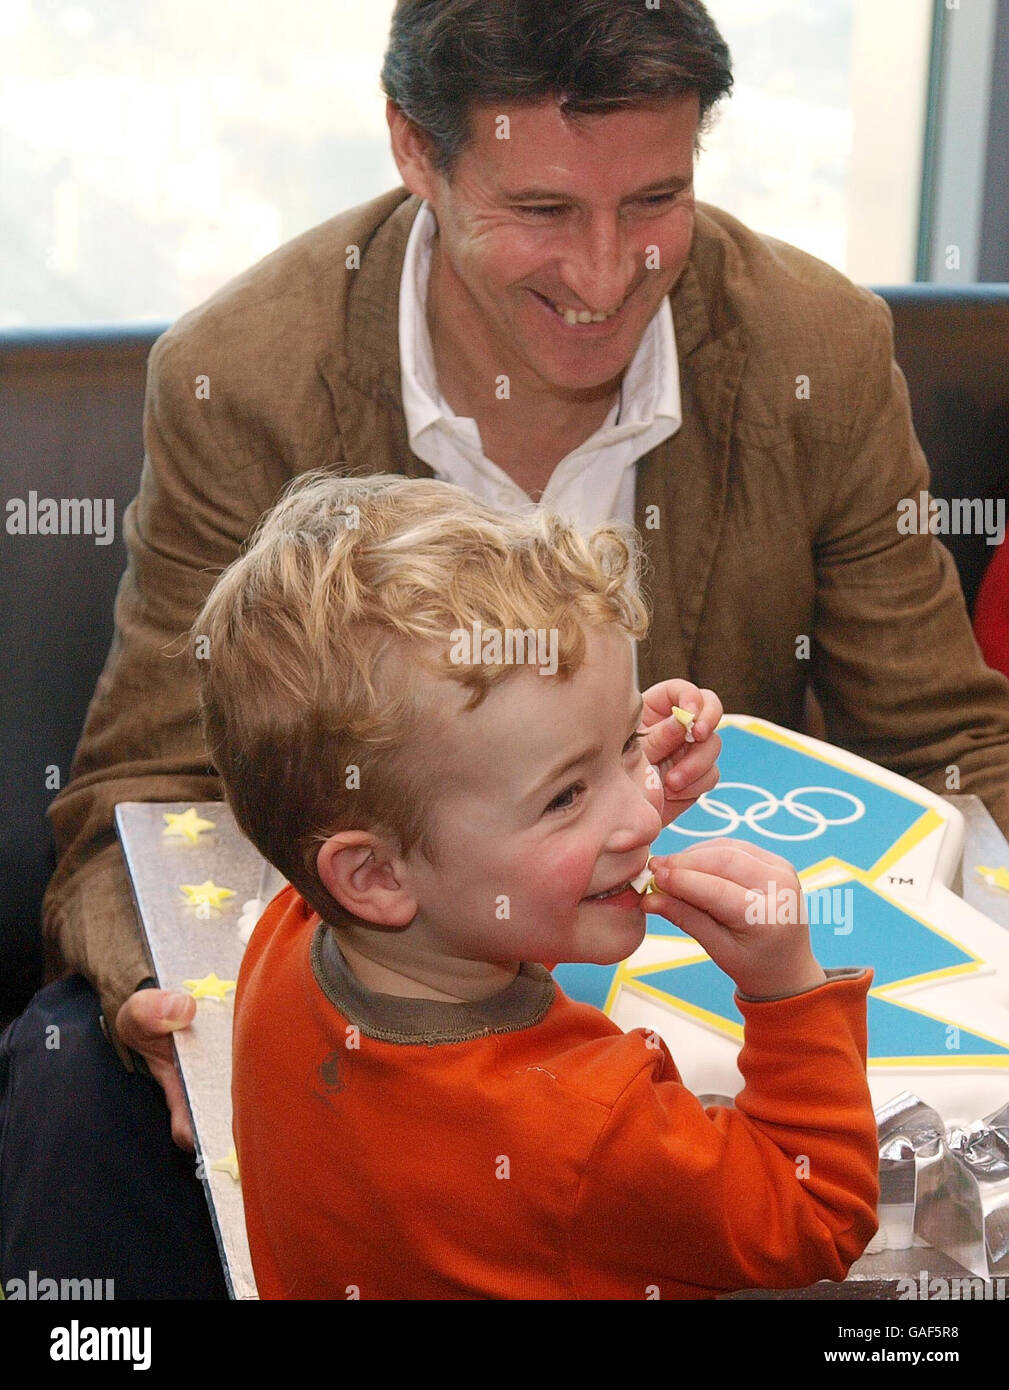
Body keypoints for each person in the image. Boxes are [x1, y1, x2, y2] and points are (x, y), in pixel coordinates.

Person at [2, 0, 1007, 1298]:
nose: (606, 274)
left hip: (673, 975)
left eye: (655, 199)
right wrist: (161, 999)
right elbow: (141, 790)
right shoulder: (243, 372)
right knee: (72, 1078)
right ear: (415, 152)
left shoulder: (817, 345)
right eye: (541, 211)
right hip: (381, 988)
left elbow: (944, 739)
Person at [204, 470, 879, 1299]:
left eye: (626, 740)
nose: (635, 814)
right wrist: (786, 995)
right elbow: (816, 1214)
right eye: (564, 794)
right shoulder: (589, 1132)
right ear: (374, 874)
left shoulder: (290, 937)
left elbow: (468, 890)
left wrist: (609, 792)